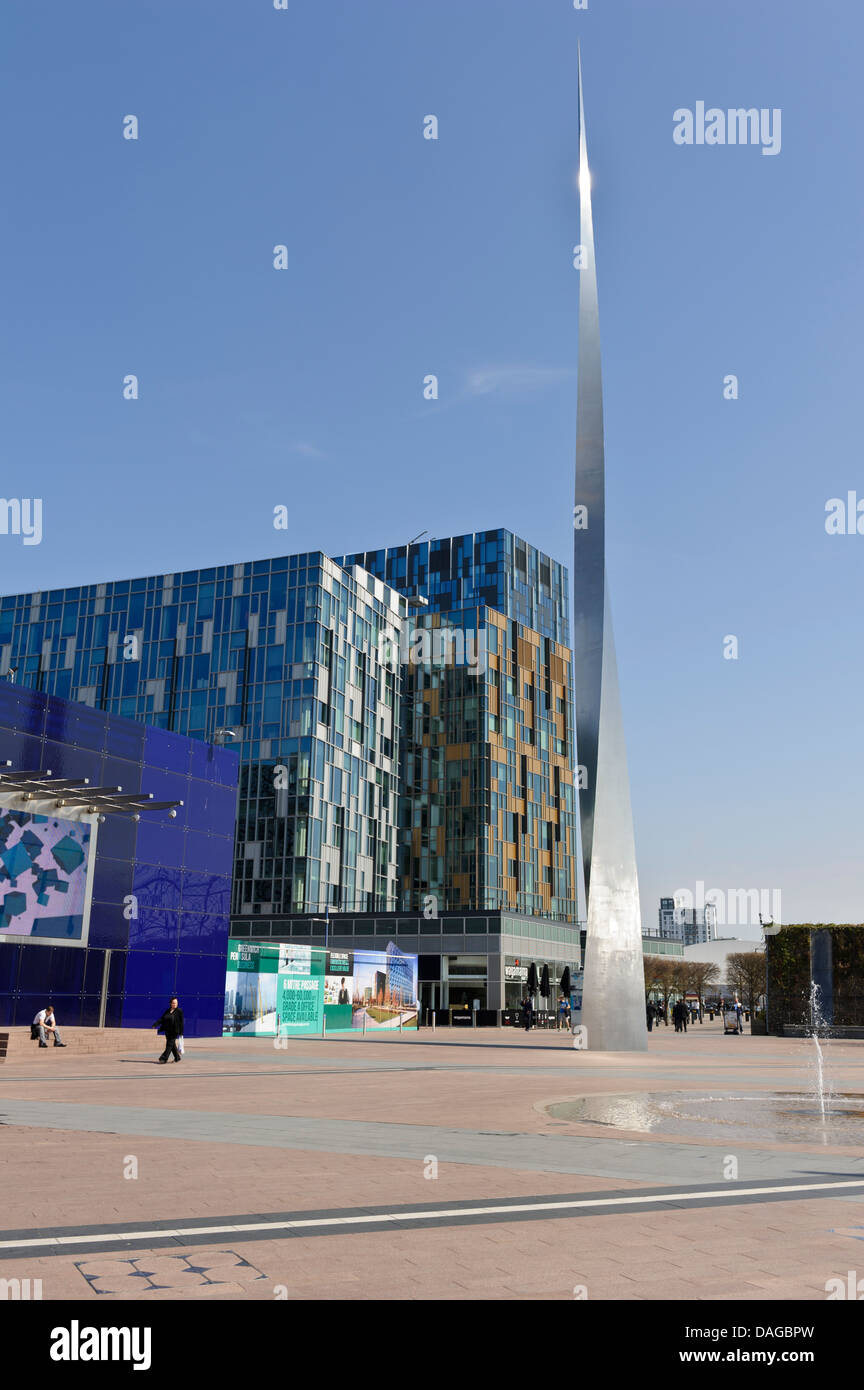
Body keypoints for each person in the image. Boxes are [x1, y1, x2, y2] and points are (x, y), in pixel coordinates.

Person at [153, 996, 185, 1063]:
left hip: (175, 1031)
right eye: (173, 1003)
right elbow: (162, 1019)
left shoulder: (179, 1011)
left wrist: (181, 1033)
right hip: (167, 1031)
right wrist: (156, 1024)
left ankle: (164, 1058)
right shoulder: (167, 1010)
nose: (175, 1004)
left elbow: (181, 1022)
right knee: (172, 1045)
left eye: (176, 1003)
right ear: (170, 1003)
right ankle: (177, 1057)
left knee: (169, 1045)